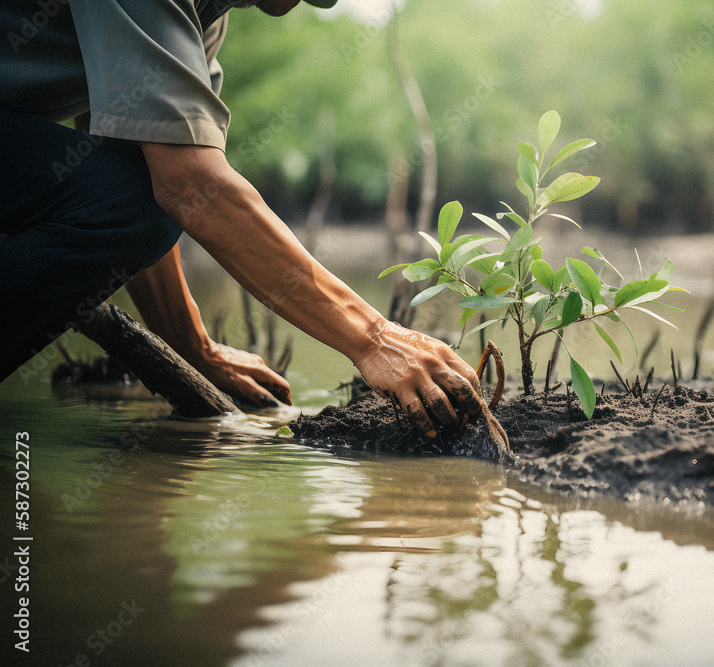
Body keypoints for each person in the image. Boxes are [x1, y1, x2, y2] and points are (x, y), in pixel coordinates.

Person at [0, 0, 484, 438]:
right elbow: (190, 184)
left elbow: (143, 166)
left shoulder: (205, 15)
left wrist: (193, 348)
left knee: (127, 197)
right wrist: (373, 339)